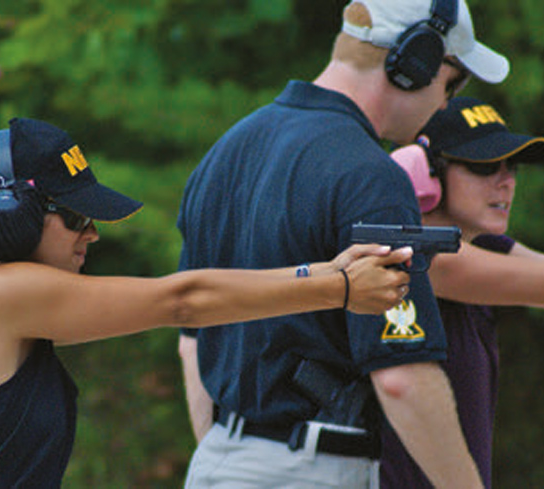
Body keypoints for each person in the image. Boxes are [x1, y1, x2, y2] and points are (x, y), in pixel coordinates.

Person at [0, 117, 414, 487]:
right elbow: (181, 300)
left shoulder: (1, 305)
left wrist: (333, 272)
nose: (91, 234)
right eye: (76, 217)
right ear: (9, 214)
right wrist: (338, 289)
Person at [176, 0, 509, 487]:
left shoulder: (227, 150)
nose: (446, 103)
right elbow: (402, 378)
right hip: (310, 470)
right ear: (416, 62)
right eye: (452, 82)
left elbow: (192, 340)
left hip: (216, 462)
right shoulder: (372, 177)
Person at [382, 96, 544, 488]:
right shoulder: (412, 252)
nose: (506, 180)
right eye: (484, 165)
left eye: (511, 166)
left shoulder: (484, 246)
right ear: (427, 172)